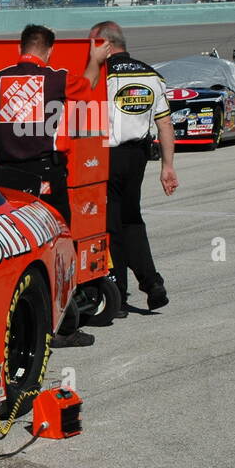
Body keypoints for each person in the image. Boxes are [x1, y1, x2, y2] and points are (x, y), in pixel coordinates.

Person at [0, 24, 109, 348]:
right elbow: (90, 84)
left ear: (21, 47)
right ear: (48, 50)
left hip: (6, 177)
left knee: (16, 247)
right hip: (44, 176)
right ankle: (64, 328)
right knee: (59, 248)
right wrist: (94, 59)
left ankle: (14, 321)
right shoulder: (54, 78)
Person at [86, 20, 179, 313]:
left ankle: (118, 294)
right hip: (138, 156)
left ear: (105, 44)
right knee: (132, 219)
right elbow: (165, 124)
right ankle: (152, 283)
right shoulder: (152, 75)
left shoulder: (102, 74)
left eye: (92, 44)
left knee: (111, 224)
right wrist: (168, 167)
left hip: (106, 156)